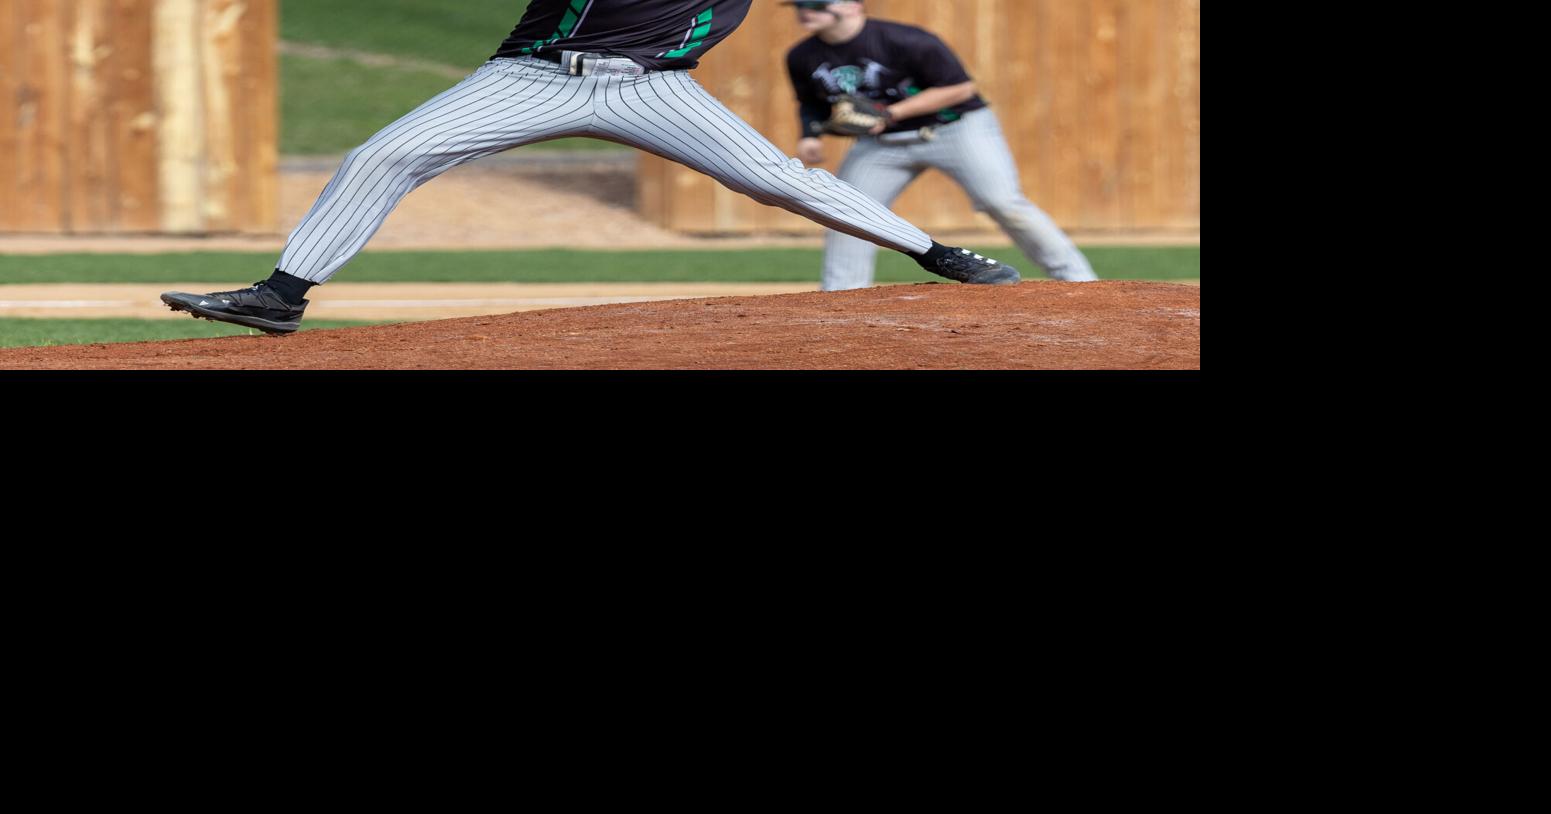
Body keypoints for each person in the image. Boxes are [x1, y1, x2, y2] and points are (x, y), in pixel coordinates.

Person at [161, 0, 1020, 335]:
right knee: (383, 152)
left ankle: (938, 254)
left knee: (776, 176)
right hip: (533, 76)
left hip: (657, 89)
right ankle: (281, 295)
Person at [783, 0, 1097, 292]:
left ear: (853, 5)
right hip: (881, 144)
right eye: (800, 4)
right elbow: (810, 102)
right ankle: (840, 297)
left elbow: (960, 88)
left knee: (1003, 202)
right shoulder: (800, 56)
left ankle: (1081, 281)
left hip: (953, 129)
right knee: (846, 212)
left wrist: (891, 113)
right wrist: (810, 134)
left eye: (816, 3)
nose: (805, 10)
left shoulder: (906, 40)